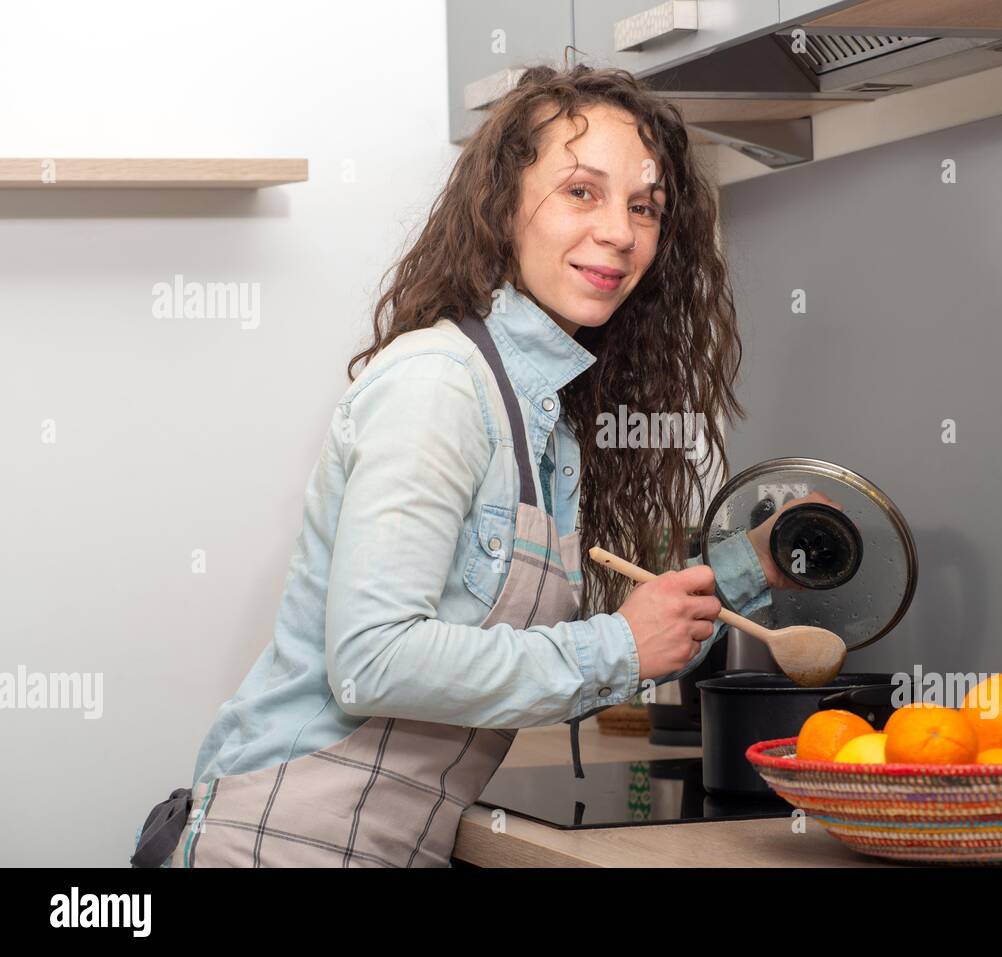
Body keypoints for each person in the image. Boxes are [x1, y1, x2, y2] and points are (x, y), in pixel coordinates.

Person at [129, 63, 831, 868]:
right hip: (277, 845)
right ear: (503, 208)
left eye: (644, 206)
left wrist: (755, 566)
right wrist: (618, 648)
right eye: (581, 191)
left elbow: (512, 652)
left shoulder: (542, 418)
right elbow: (374, 658)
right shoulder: (439, 383)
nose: (620, 231)